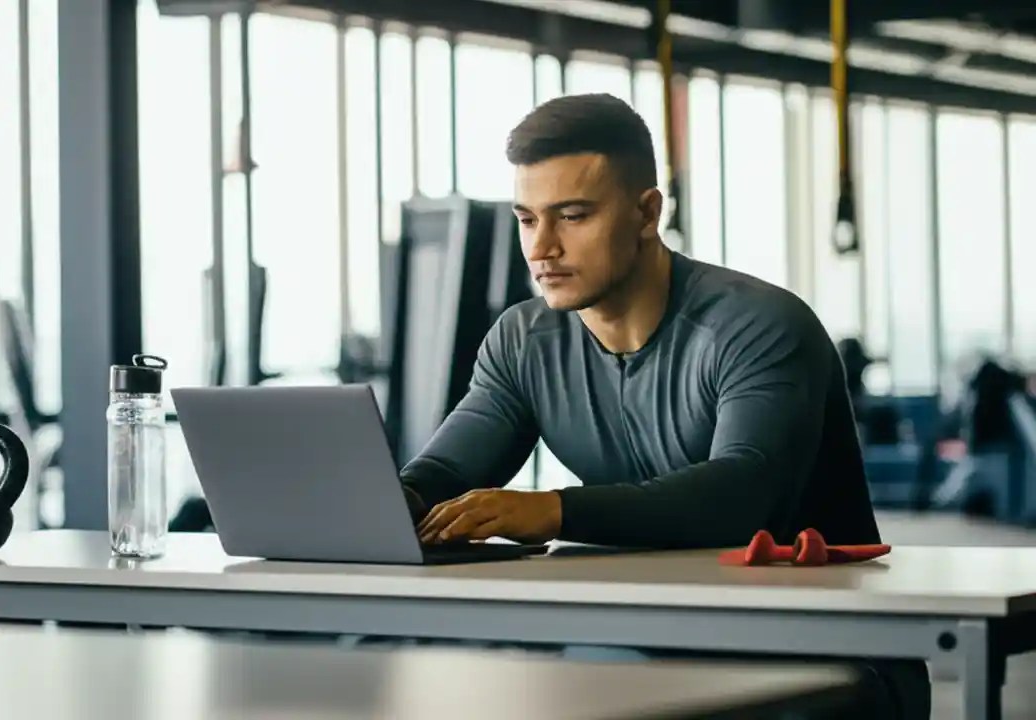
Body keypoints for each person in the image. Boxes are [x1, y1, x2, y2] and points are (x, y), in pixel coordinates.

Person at [397, 93, 928, 718]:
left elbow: (741, 495)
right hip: (648, 641)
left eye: (571, 216)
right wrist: (385, 504)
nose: (542, 248)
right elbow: (443, 476)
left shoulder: (757, 326)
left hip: (819, 651)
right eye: (526, 219)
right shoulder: (523, 342)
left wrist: (550, 511)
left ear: (647, 213)